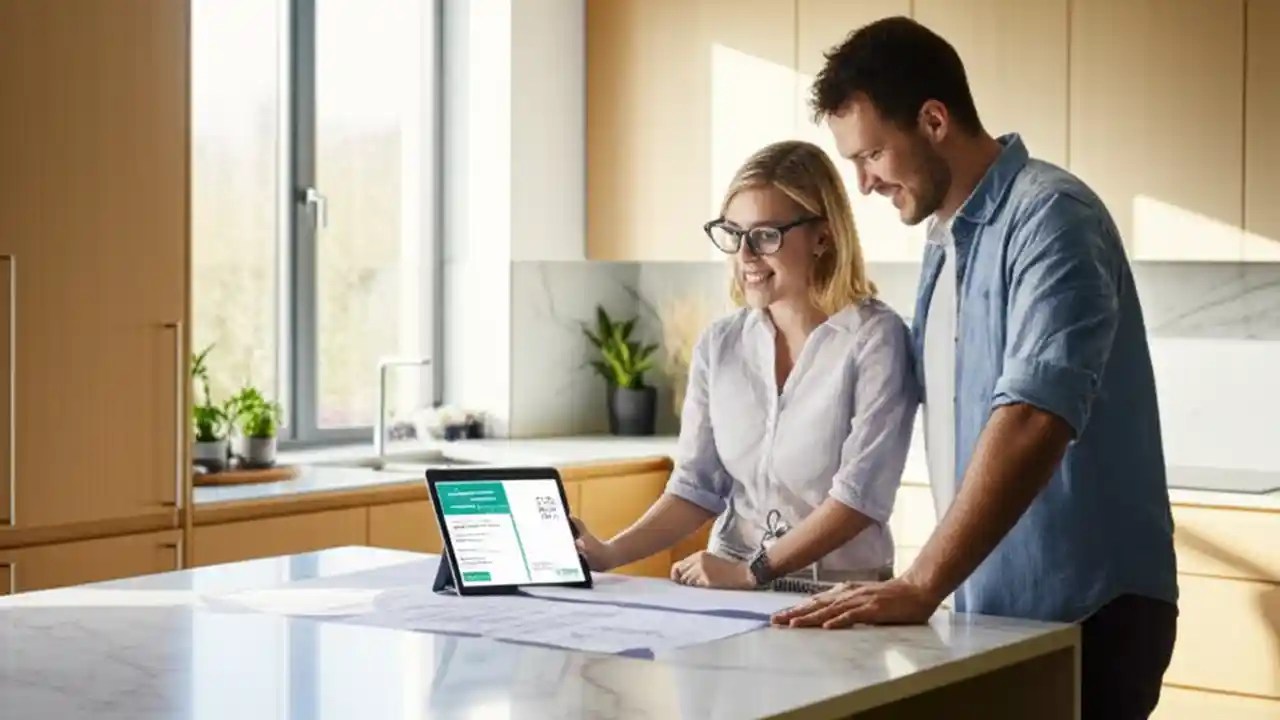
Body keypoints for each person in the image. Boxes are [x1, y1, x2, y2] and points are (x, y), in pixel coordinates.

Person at [769, 16, 1179, 720]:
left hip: (1092, 612)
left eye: (871, 155)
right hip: (995, 610)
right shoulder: (945, 242)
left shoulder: (1052, 217)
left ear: (933, 120)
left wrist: (922, 581)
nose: (863, 183)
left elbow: (1030, 419)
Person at [572, 139, 918, 591]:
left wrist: (753, 572)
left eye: (766, 235)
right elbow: (697, 487)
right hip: (728, 580)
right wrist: (610, 553)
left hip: (832, 592)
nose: (745, 256)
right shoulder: (721, 343)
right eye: (734, 234)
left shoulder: (875, 339)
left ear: (823, 236)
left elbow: (858, 499)